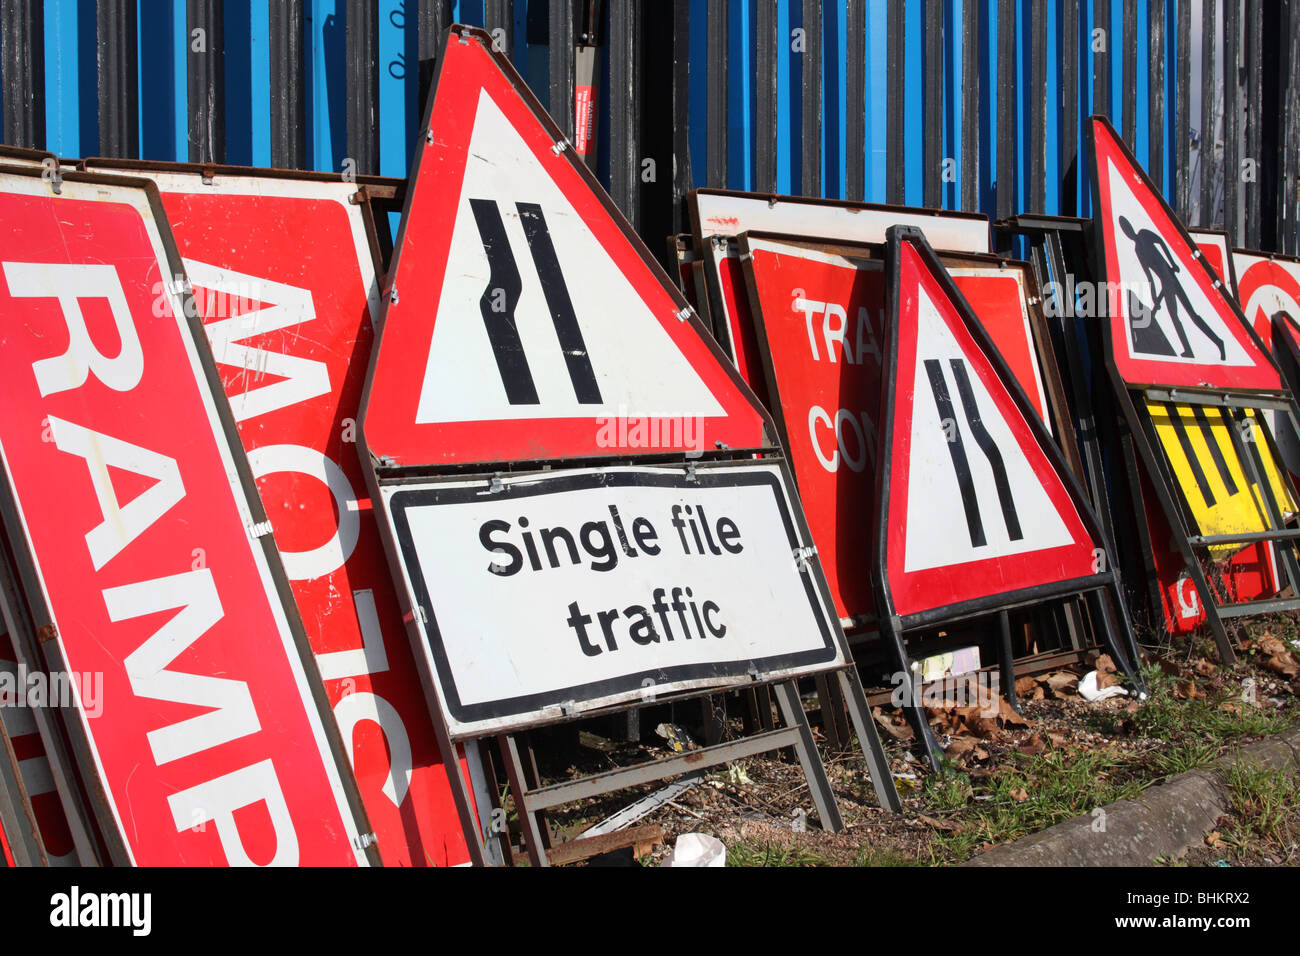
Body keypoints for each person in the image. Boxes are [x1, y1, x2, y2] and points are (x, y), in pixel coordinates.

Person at [1119, 215, 1225, 360]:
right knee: (1179, 317)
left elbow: (1161, 242)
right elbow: (1149, 277)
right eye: (1125, 231)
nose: (1128, 232)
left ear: (1130, 227)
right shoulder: (1138, 249)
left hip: (1171, 278)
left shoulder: (1143, 234)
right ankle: (1195, 348)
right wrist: (1155, 297)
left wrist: (1172, 263)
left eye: (1127, 228)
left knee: (1191, 315)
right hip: (1166, 283)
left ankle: (1215, 343)